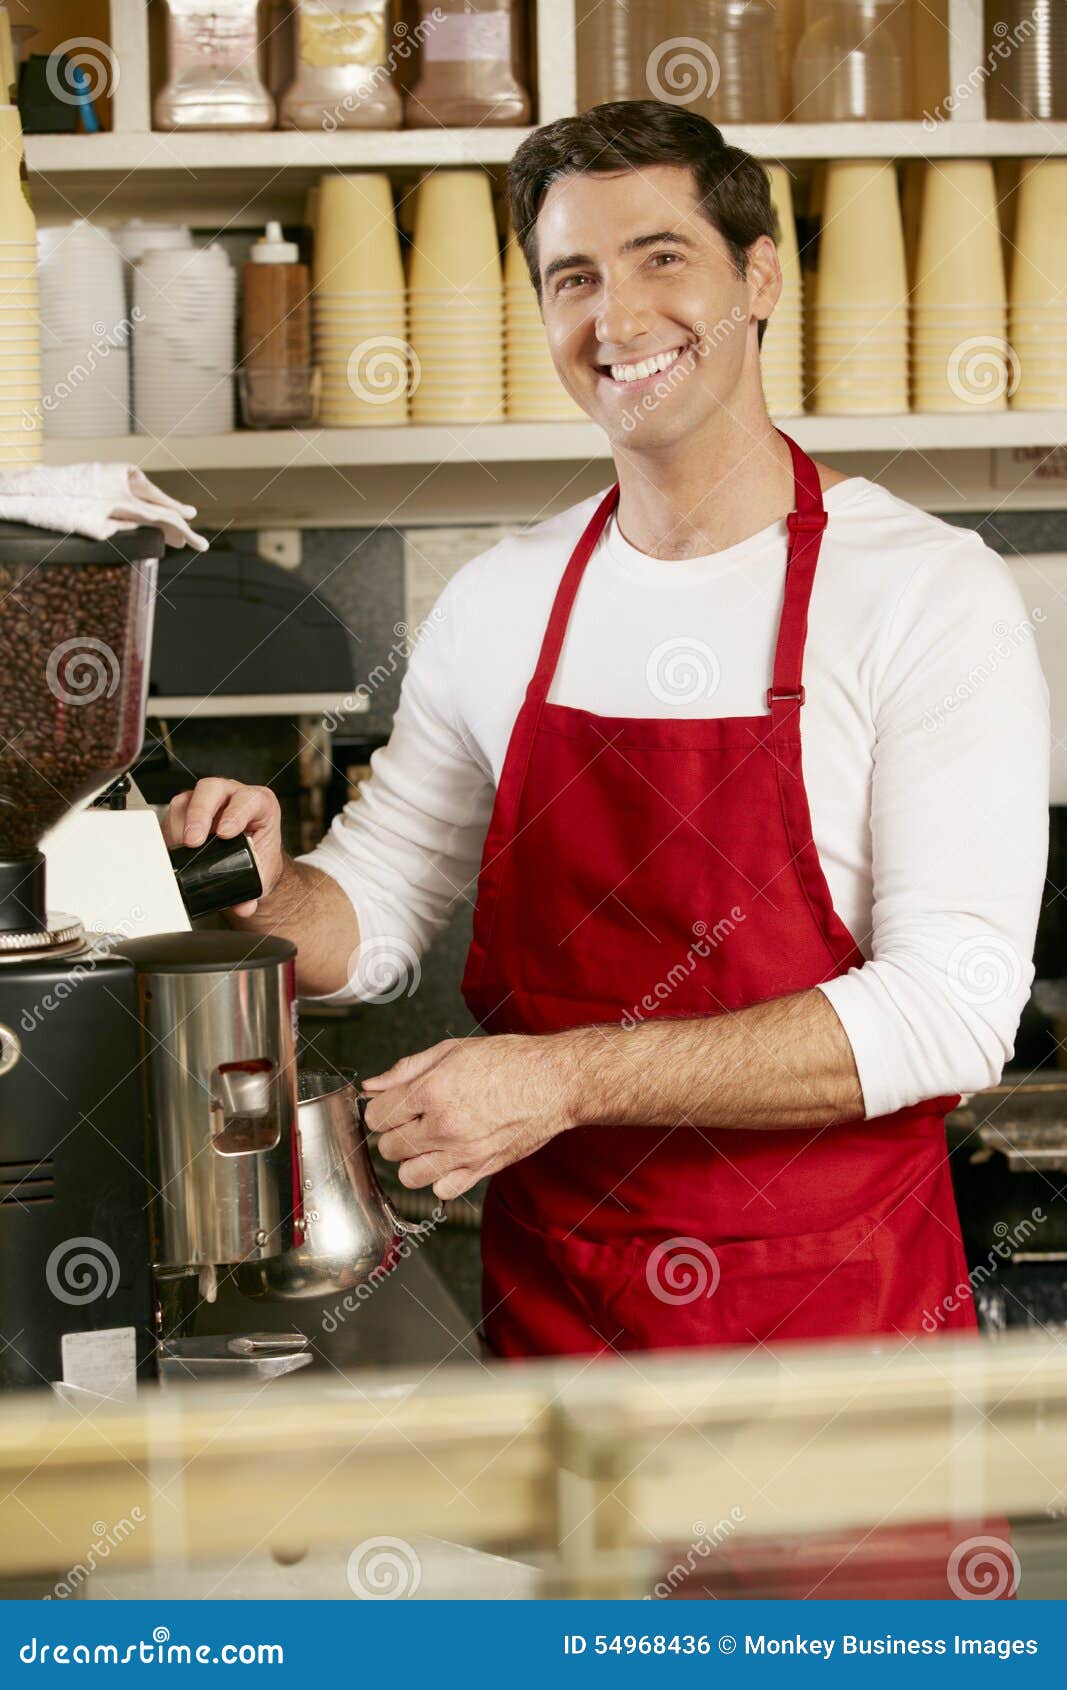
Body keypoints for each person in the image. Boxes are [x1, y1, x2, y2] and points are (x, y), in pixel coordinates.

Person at [165, 101, 1049, 1363]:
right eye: (572, 276)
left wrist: (560, 1079)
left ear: (757, 276)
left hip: (835, 1326)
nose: (617, 318)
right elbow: (372, 916)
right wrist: (265, 888)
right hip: (560, 1315)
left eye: (660, 257)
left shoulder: (921, 589)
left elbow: (953, 1010)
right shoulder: (503, 597)